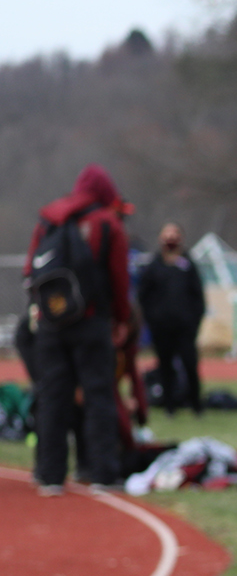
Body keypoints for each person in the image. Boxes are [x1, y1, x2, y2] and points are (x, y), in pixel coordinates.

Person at [22, 164, 133, 495]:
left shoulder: (49, 219)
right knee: (98, 395)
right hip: (92, 320)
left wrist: (45, 312)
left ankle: (49, 475)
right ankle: (101, 472)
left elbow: (31, 270)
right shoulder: (107, 223)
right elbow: (119, 278)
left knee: (52, 396)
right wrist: (120, 319)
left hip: (52, 323)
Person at [136, 223, 206, 416]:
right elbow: (143, 296)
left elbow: (198, 296)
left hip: (185, 327)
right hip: (162, 328)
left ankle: (196, 405)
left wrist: (194, 321)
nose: (171, 238)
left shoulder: (188, 264)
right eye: (167, 234)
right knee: (164, 366)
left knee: (190, 364)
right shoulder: (154, 265)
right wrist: (153, 319)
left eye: (174, 234)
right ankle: (169, 407)